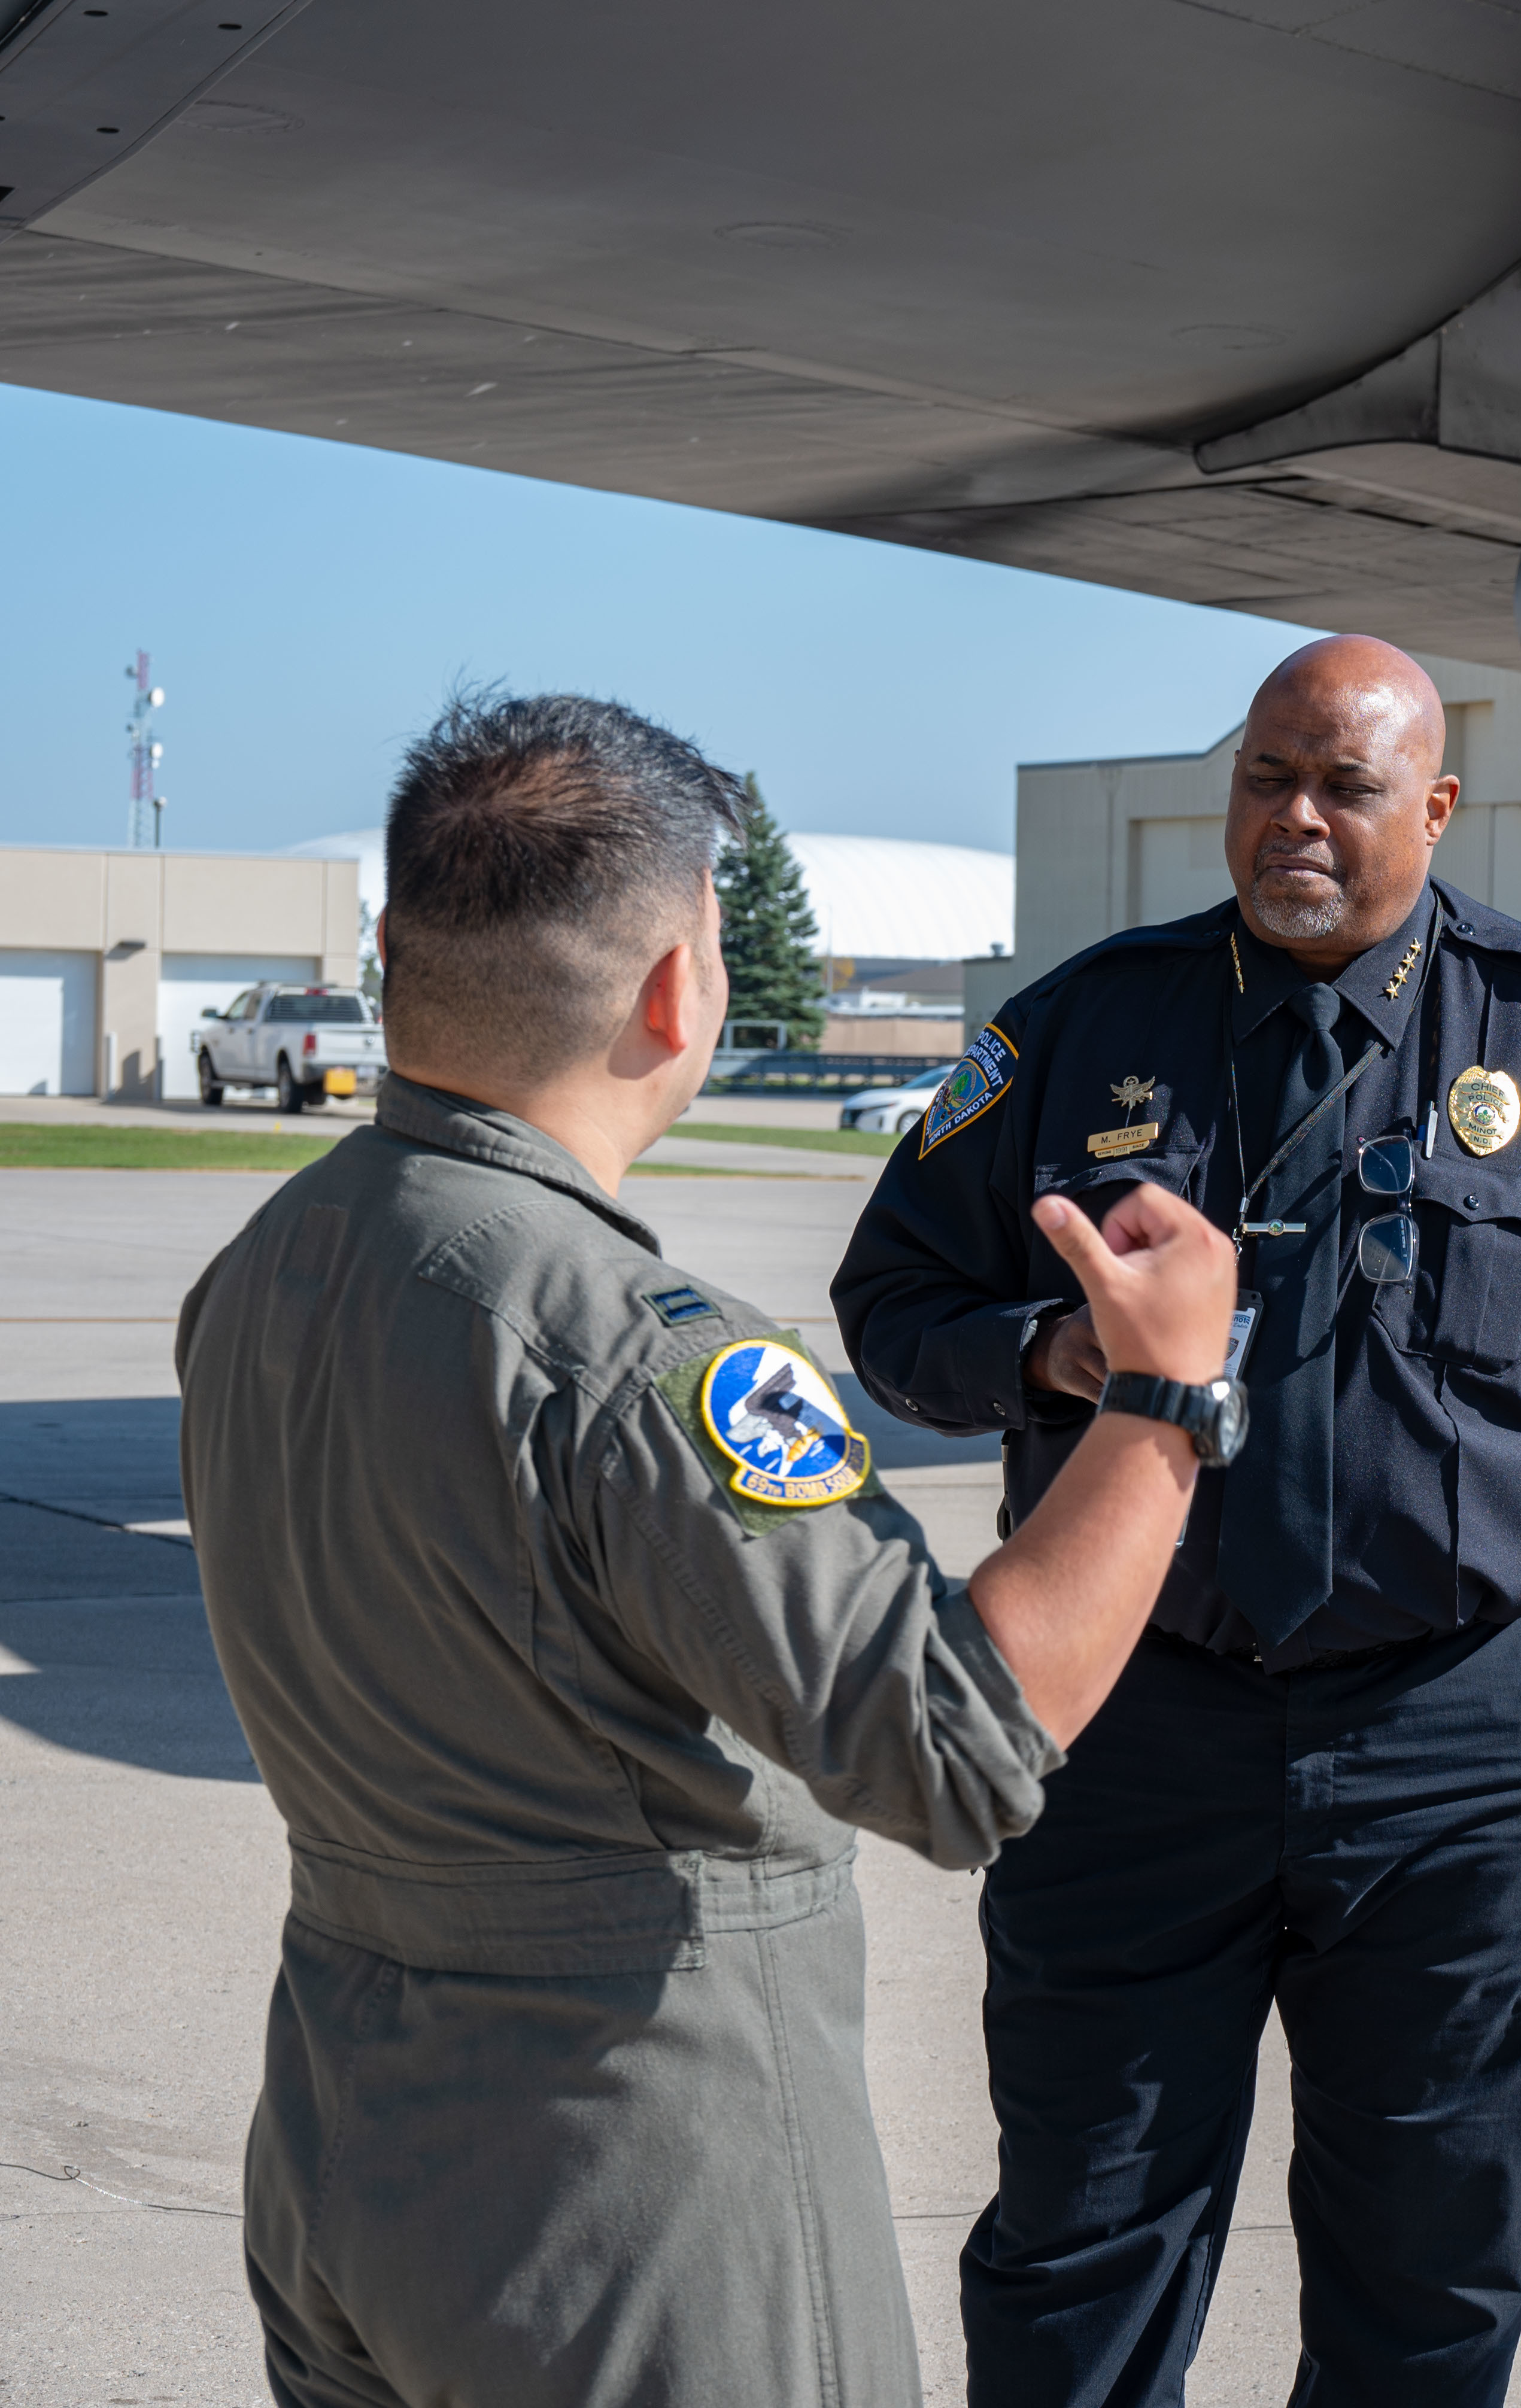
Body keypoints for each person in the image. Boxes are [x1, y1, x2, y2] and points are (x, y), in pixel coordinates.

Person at [177, 694, 1246, 2404]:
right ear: (681, 986)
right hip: (623, 2180)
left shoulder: (271, 1266)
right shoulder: (642, 1349)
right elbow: (961, 1754)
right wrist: (1166, 1399)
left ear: (394, 954)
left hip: (342, 2131)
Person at [833, 633, 1521, 2407]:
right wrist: (1055, 1351)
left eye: (1346, 788)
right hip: (1135, 1734)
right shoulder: (1079, 1028)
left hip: (1469, 1756)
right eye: (1268, 777)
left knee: (1427, 2286)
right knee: (1075, 2255)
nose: (1297, 819)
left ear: (1431, 808)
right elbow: (891, 1309)